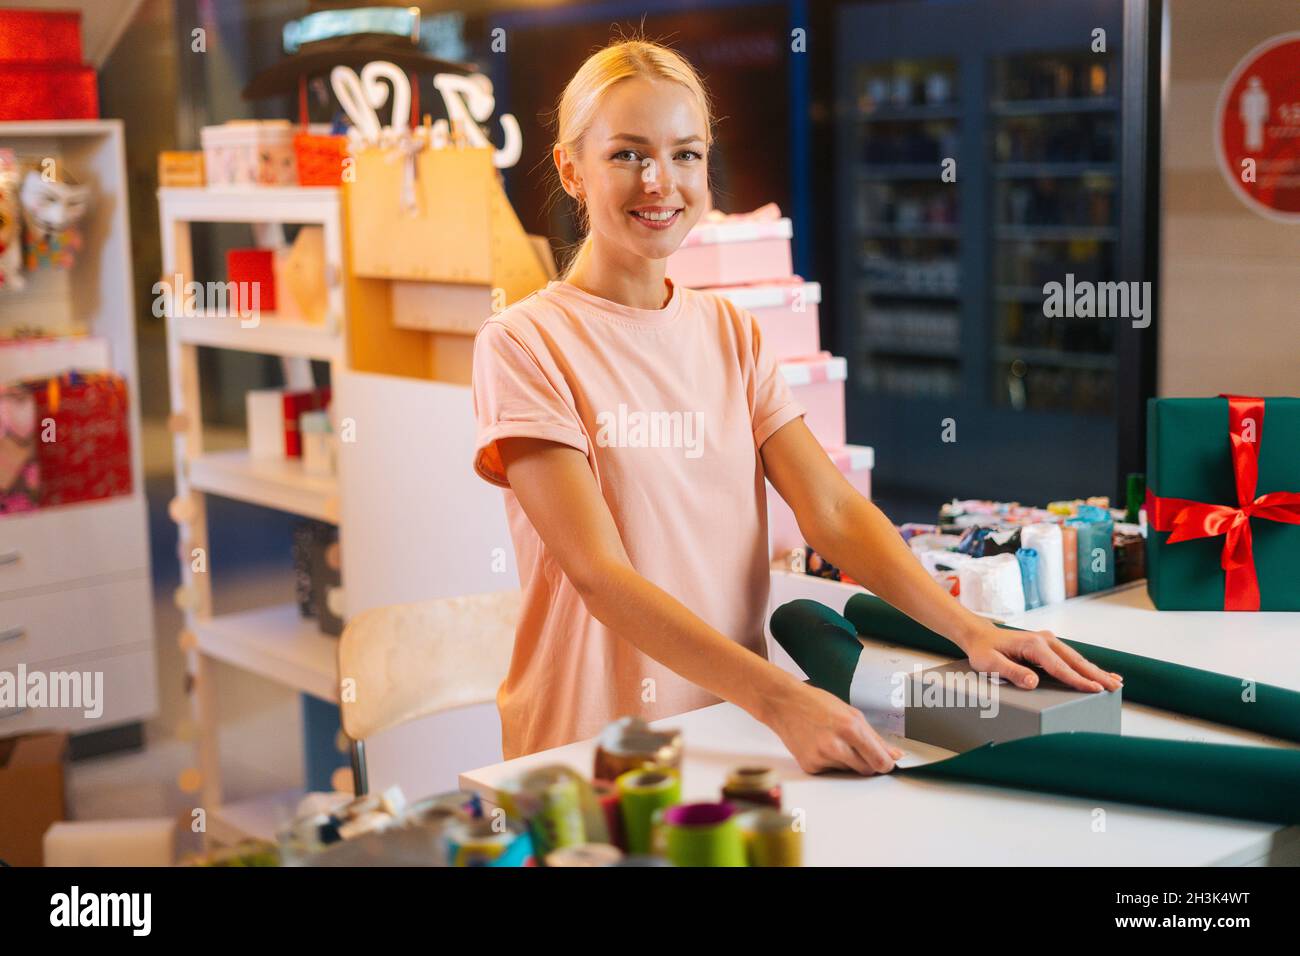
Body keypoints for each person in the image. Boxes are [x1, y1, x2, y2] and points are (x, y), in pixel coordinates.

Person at [471, 37, 1122, 772]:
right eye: (626, 154)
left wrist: (968, 629)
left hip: (733, 730)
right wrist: (781, 696)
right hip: (593, 749)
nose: (660, 182)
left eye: (685, 154)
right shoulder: (523, 344)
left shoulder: (730, 333)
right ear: (571, 169)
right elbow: (599, 573)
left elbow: (832, 512)